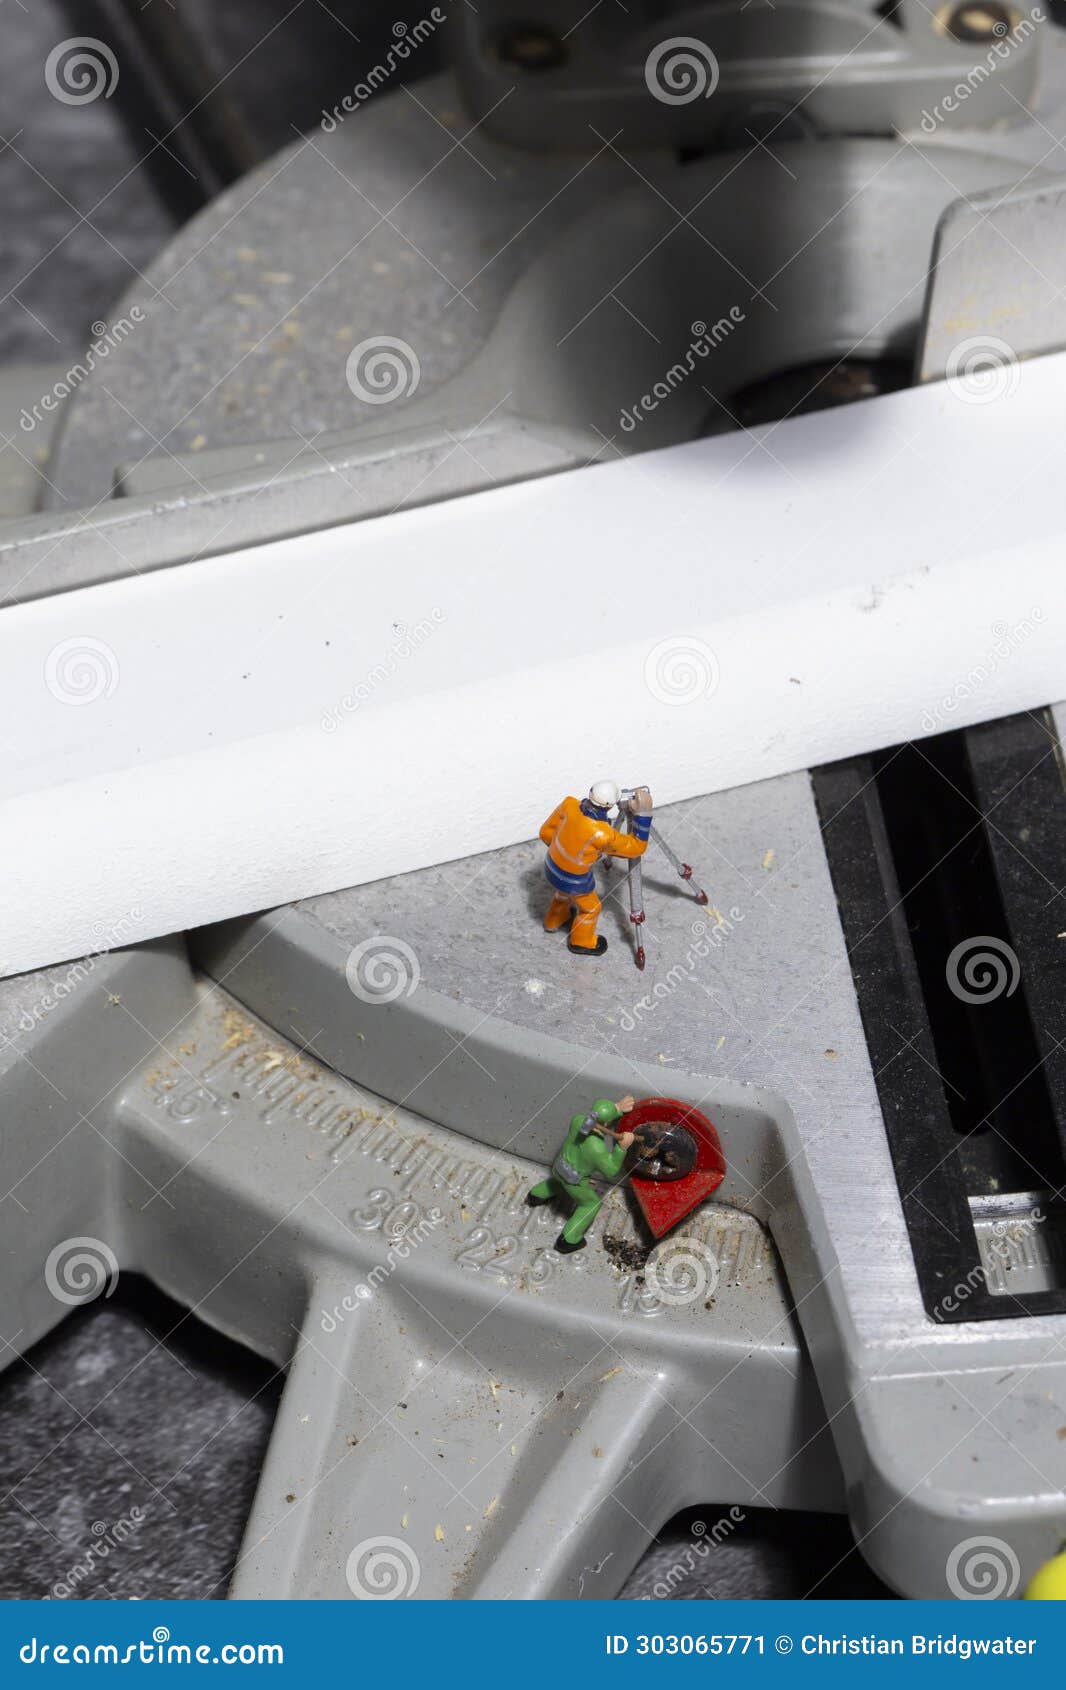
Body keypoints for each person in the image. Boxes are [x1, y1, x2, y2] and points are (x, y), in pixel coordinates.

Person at [539, 781, 653, 957]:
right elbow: (636, 848)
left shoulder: (569, 804)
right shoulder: (603, 835)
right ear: (611, 805)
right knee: (591, 908)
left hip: (550, 866)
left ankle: (553, 920)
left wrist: (563, 854)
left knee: (563, 892)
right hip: (573, 880)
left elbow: (545, 832)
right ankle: (581, 942)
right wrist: (643, 813)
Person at [526, 1095, 637, 1252]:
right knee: (591, 1205)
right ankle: (569, 1239)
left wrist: (617, 1109)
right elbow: (611, 1171)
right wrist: (621, 1148)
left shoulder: (578, 1120)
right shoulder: (596, 1148)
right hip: (575, 1181)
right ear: (606, 1124)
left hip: (559, 1167)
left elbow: (597, 1117)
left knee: (558, 1182)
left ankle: (535, 1195)